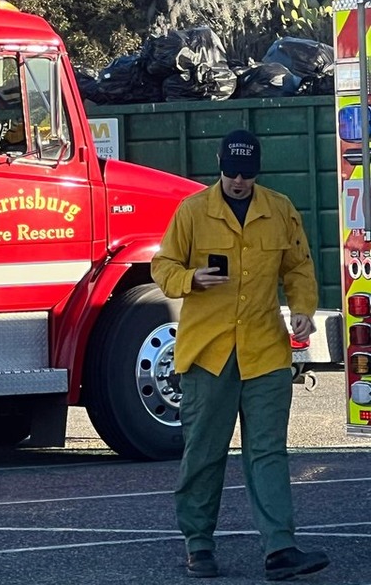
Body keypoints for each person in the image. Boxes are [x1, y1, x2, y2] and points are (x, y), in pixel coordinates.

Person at [151, 129, 328, 581]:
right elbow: (163, 266)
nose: (237, 181)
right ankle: (199, 544)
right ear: (219, 163)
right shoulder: (193, 211)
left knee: (267, 451)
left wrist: (303, 311)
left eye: (246, 174)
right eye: (231, 171)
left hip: (265, 351)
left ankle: (280, 550)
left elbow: (299, 267)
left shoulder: (280, 209)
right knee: (204, 453)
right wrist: (192, 279)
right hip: (208, 353)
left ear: (256, 172)